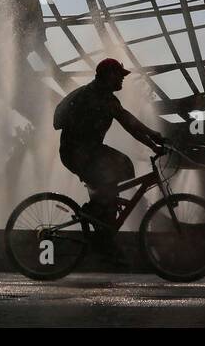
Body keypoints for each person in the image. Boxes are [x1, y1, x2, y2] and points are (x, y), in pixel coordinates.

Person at [54, 58, 167, 258]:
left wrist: (152, 143)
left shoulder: (97, 94)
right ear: (109, 76)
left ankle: (102, 228)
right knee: (119, 166)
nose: (122, 80)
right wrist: (154, 138)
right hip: (80, 153)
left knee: (114, 176)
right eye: (119, 76)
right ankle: (95, 212)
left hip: (81, 152)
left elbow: (130, 125)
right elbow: (129, 123)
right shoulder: (100, 97)